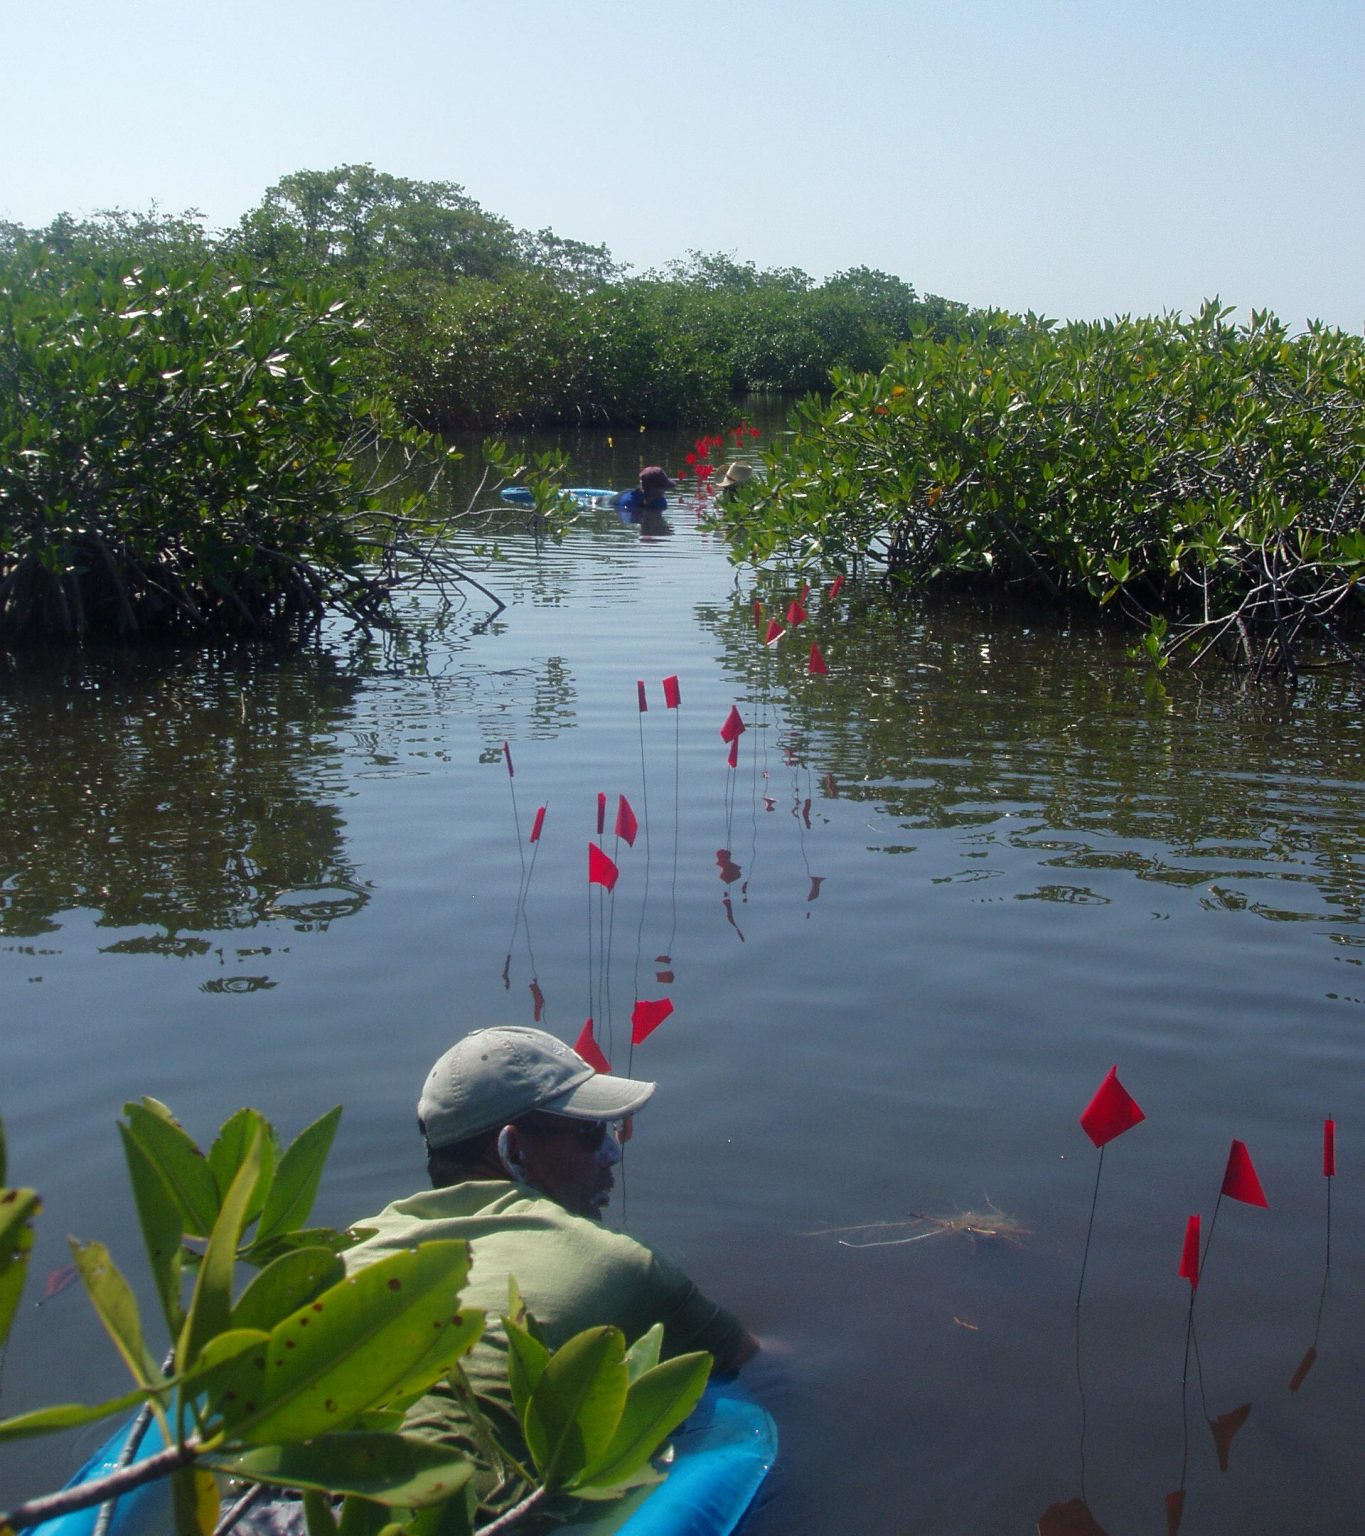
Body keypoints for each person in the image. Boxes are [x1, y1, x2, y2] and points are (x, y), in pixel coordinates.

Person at [341, 1026, 758, 1515]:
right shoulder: (616, 1262)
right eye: (590, 1133)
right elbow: (750, 1362)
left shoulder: (353, 1246)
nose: (613, 1153)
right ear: (513, 1152)